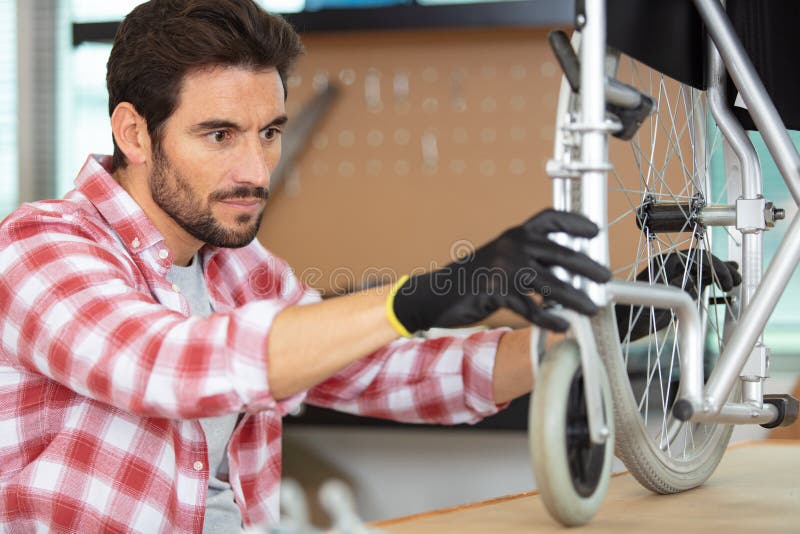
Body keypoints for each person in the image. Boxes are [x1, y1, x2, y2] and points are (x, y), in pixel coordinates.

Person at [0, 1, 739, 532]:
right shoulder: (40, 247)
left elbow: (385, 372)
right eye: (219, 135)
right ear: (134, 131)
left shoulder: (241, 270)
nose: (254, 170)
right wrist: (419, 297)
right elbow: (167, 367)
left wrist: (608, 319)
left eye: (269, 133)